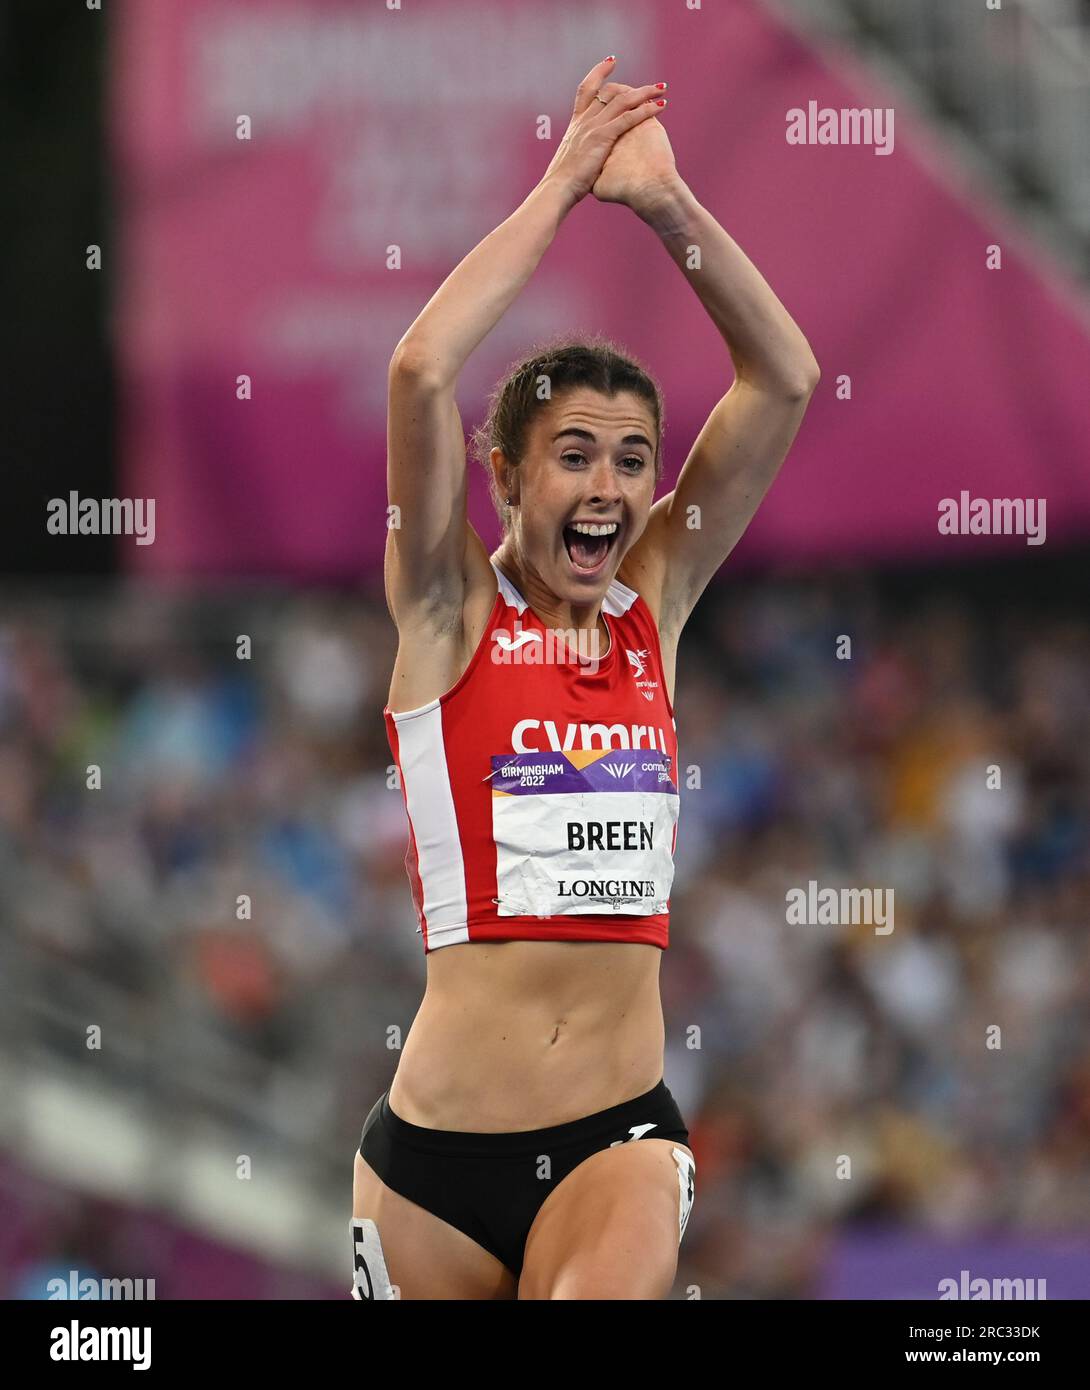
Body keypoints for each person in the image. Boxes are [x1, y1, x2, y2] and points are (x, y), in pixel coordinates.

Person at [350, 56, 819, 1300]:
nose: (608, 487)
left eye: (631, 458)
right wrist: (563, 184)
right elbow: (417, 372)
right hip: (429, 1172)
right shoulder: (445, 612)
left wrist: (666, 206)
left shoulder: (649, 605)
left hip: (615, 1137)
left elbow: (782, 378)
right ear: (504, 477)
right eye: (573, 455)